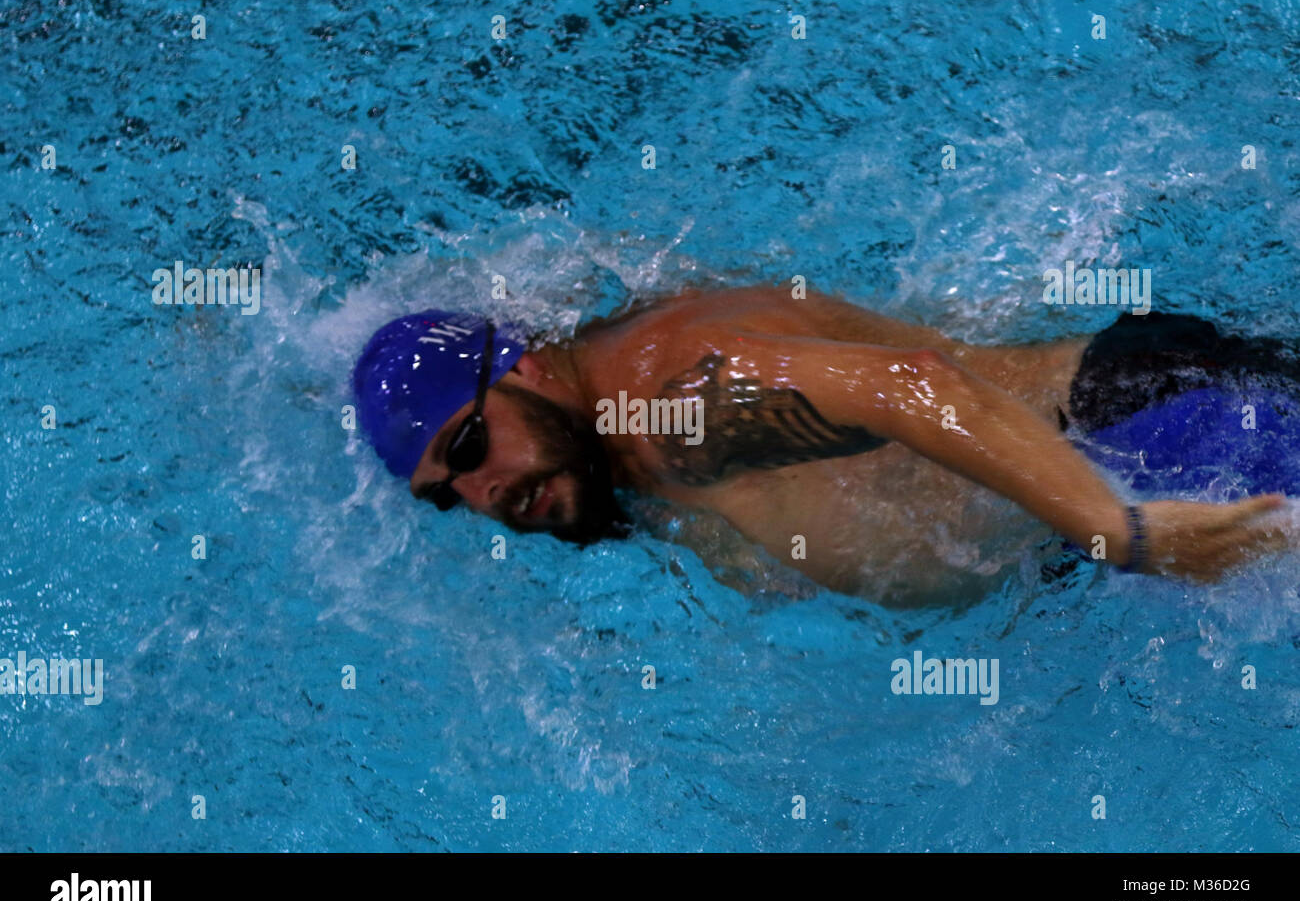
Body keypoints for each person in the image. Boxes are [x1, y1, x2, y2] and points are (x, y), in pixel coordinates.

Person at [351, 285, 1294, 606]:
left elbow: (910, 384)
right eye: (447, 493)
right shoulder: (599, 372)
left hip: (1158, 442)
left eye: (469, 445)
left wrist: (1118, 531)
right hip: (1106, 460)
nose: (484, 495)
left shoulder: (671, 417)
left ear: (524, 370)